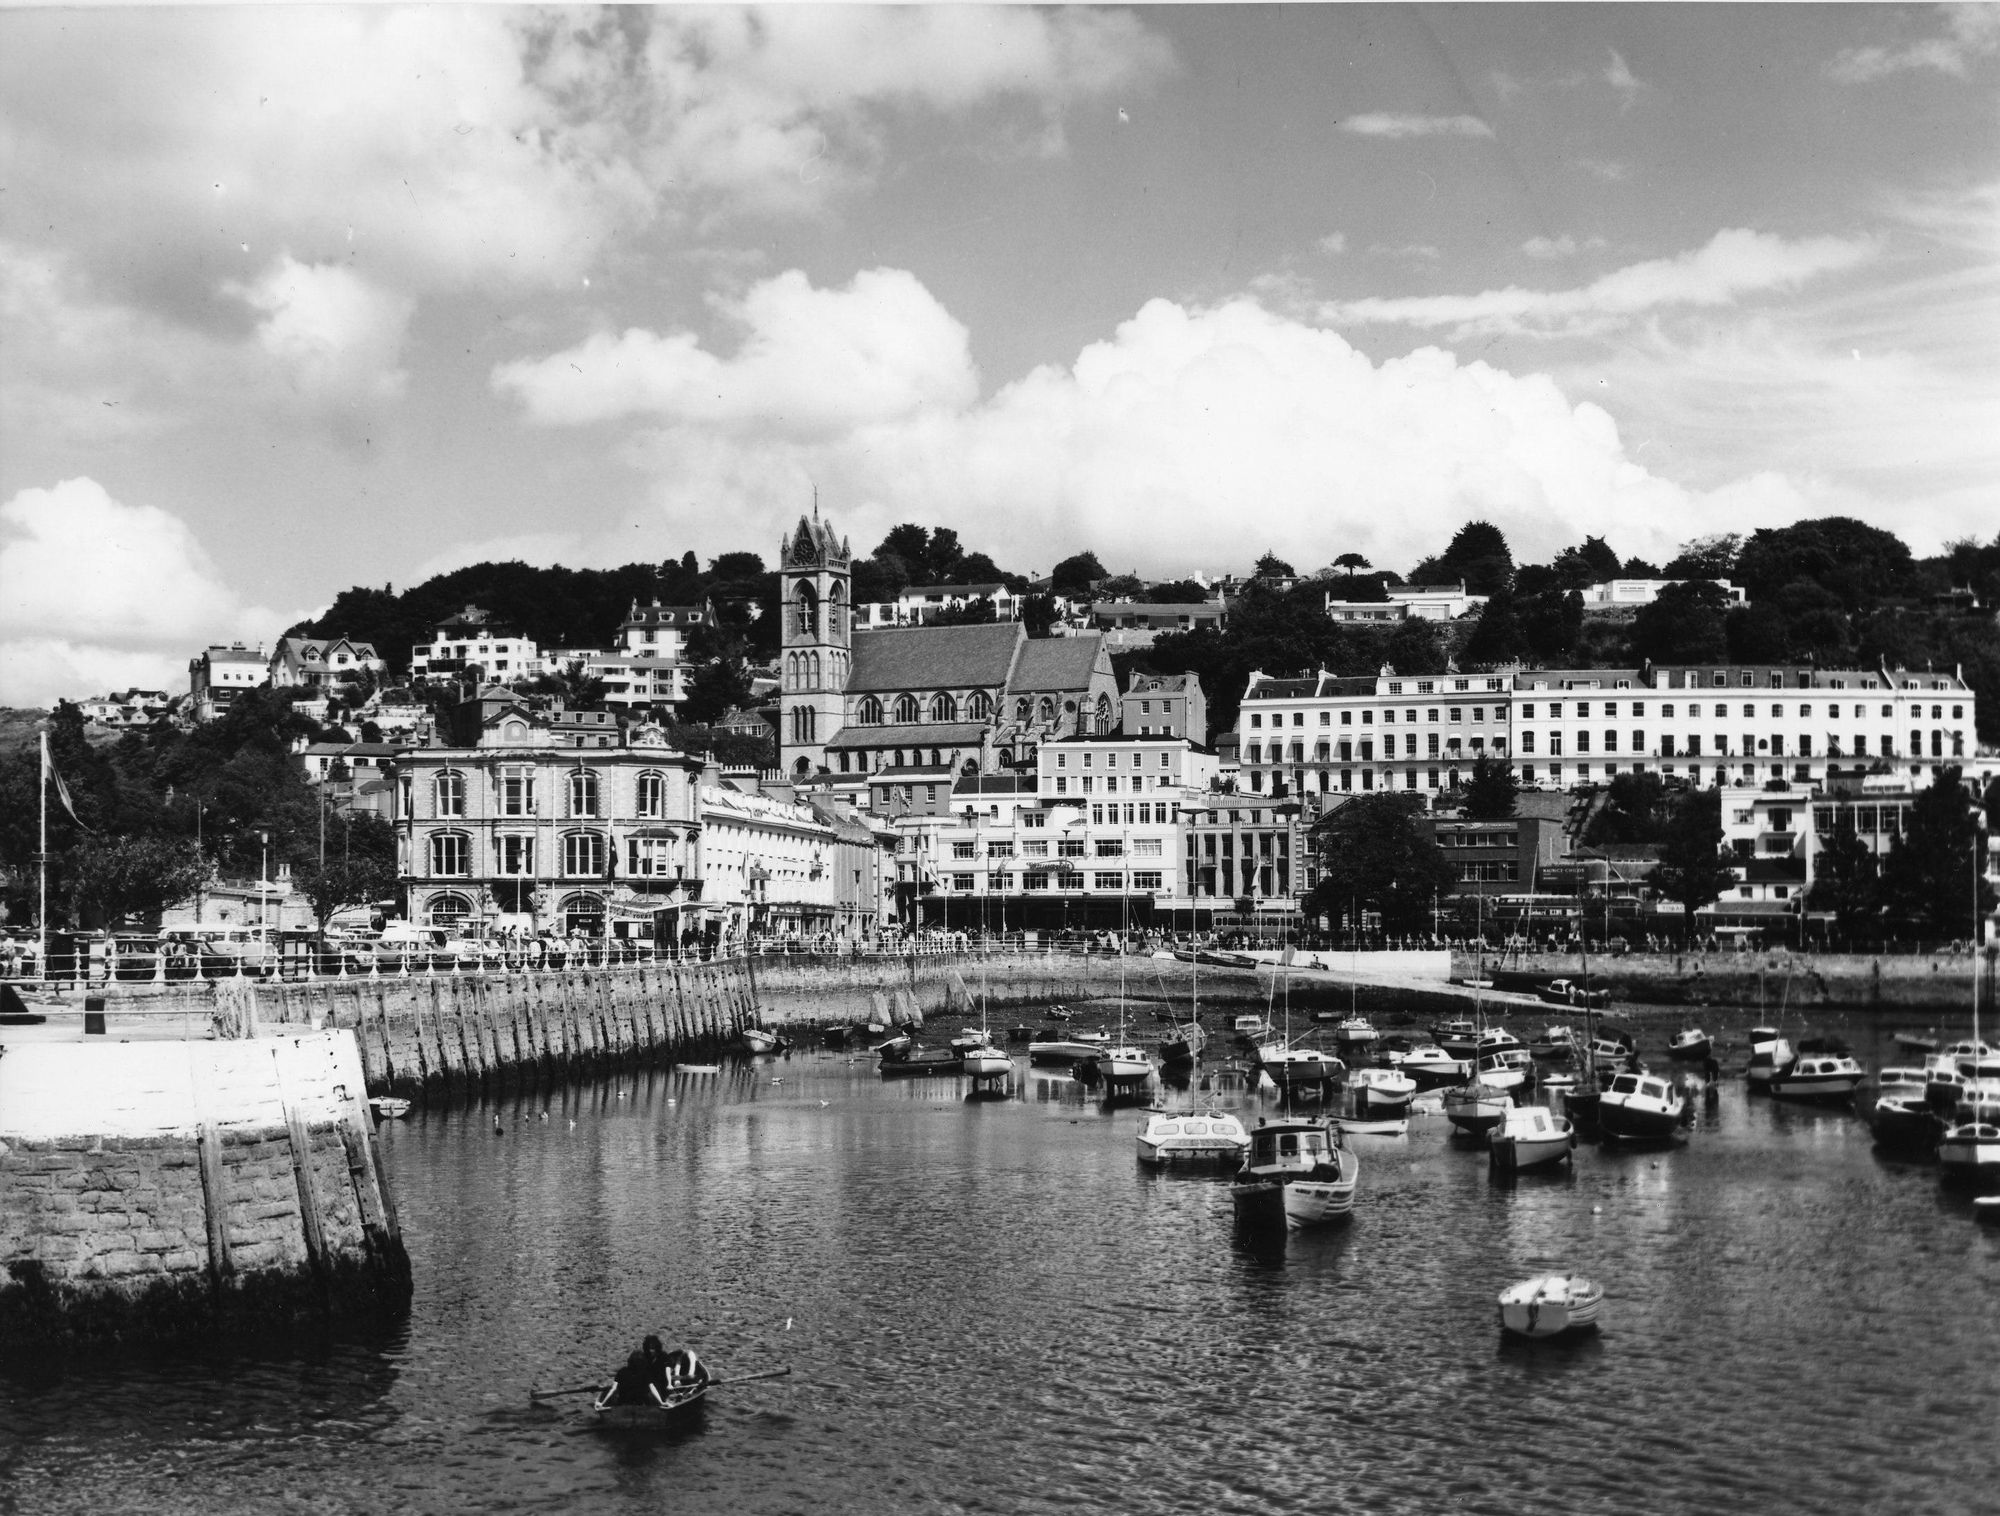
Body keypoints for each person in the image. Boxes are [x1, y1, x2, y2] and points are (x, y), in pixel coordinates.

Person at [598, 1350, 664, 1410]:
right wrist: (661, 1402)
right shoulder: (645, 1373)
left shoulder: (622, 1371)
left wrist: (602, 1403)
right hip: (641, 1402)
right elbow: (653, 1389)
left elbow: (613, 1389)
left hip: (624, 1401)